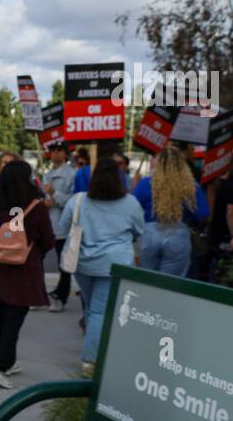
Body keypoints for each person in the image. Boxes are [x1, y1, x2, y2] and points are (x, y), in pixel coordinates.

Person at [59, 157, 145, 375]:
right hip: (114, 265)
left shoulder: (78, 200)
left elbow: (63, 227)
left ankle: (94, 346)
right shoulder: (131, 203)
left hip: (82, 263)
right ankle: (91, 359)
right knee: (99, 311)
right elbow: (139, 230)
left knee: (92, 308)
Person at [0, 160, 56, 388]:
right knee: (14, 319)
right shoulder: (36, 206)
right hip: (24, 271)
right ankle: (1, 366)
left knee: (3, 316)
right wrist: (33, 250)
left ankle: (6, 362)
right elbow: (49, 240)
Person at [131, 148, 208, 277]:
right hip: (178, 235)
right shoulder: (191, 186)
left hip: (149, 235)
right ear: (182, 165)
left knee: (146, 282)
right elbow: (202, 214)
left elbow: (133, 211)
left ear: (158, 164)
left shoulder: (145, 184)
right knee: (170, 285)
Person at [41, 143, 77, 312]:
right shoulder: (47, 174)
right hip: (46, 225)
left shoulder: (72, 174)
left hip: (63, 226)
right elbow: (41, 197)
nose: (54, 154)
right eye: (52, 151)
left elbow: (73, 202)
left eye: (58, 151)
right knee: (36, 259)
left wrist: (55, 194)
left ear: (65, 153)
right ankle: (38, 293)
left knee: (64, 265)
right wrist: (45, 203)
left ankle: (61, 297)